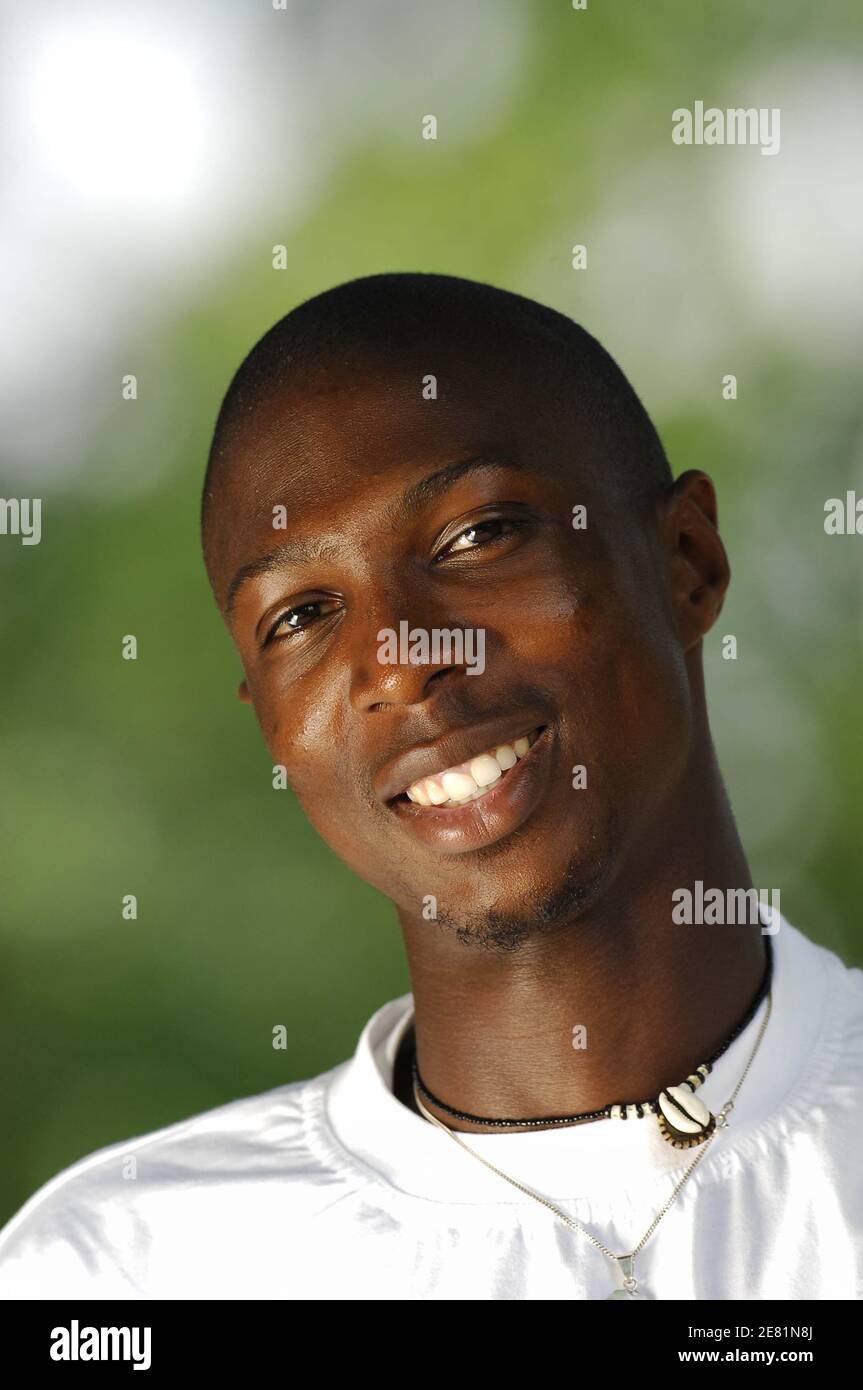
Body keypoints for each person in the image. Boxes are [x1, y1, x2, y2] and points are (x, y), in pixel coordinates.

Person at [1, 273, 861, 1300]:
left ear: (686, 561)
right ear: (272, 729)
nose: (401, 660)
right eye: (301, 616)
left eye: (475, 536)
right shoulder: (112, 1272)